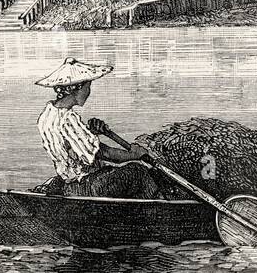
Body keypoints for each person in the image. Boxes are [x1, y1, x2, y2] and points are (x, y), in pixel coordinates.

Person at [32, 57, 166, 198]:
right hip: (88, 187)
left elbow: (70, 145)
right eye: (87, 87)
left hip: (70, 185)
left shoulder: (47, 115)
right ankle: (161, 208)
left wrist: (91, 133)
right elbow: (104, 153)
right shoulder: (68, 119)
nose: (88, 92)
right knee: (138, 171)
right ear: (76, 88)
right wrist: (134, 154)